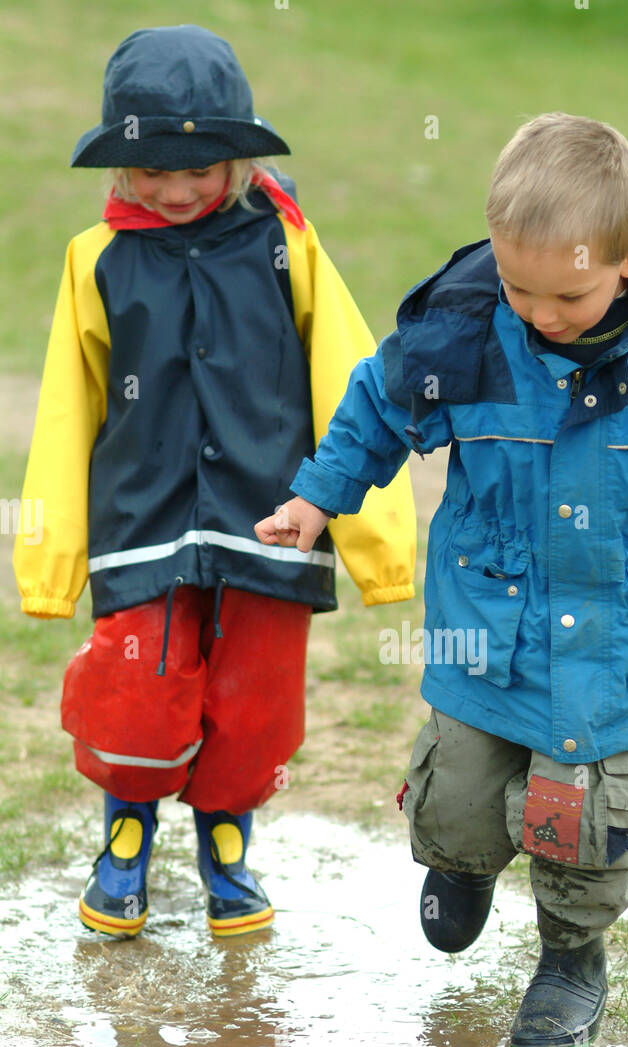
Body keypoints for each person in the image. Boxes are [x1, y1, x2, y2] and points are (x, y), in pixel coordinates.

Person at [255, 113, 628, 1047]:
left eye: (565, 295)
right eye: (517, 286)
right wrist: (315, 500)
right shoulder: (463, 325)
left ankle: (571, 956)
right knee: (459, 794)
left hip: (617, 634)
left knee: (576, 815)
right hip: (485, 621)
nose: (539, 313)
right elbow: (377, 405)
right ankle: (459, 865)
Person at [13, 25, 415, 939]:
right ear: (120, 166)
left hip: (270, 522)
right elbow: (68, 409)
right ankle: (126, 835)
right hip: (141, 521)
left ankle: (227, 839)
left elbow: (351, 379)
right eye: (153, 168)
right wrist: (51, 560)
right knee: (135, 690)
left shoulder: (287, 242)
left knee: (254, 699)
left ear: (237, 157)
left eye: (201, 165)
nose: (179, 186)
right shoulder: (95, 259)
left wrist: (375, 543)